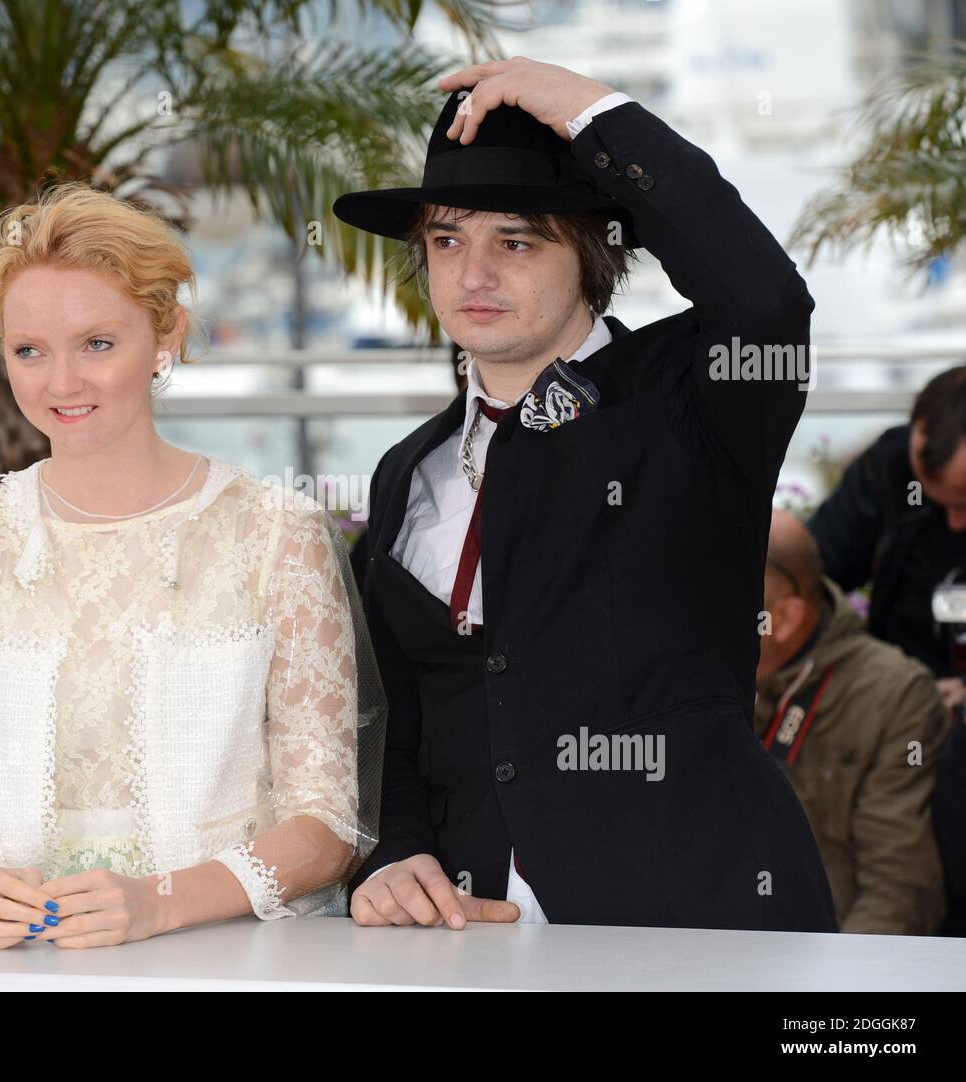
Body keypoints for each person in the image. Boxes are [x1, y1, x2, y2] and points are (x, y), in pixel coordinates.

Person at [333, 57, 836, 931]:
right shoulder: (408, 470)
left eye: (516, 240)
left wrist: (590, 110)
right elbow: (401, 719)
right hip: (471, 935)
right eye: (447, 240)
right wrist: (395, 850)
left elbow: (764, 302)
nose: (474, 274)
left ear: (594, 251)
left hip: (700, 920)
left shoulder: (692, 398)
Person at [0, 183, 386, 948]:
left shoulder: (278, 534)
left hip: (233, 957)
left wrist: (158, 902)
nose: (62, 382)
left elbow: (328, 824)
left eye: (98, 343)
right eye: (29, 351)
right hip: (24, 963)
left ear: (165, 334)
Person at [807, 365, 966, 936]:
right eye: (938, 496)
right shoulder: (888, 467)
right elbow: (817, 576)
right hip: (894, 696)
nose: (954, 520)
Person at [755, 510, 952, 934]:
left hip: (821, 964)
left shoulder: (893, 696)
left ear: (784, 618)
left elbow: (899, 889)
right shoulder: (677, 685)